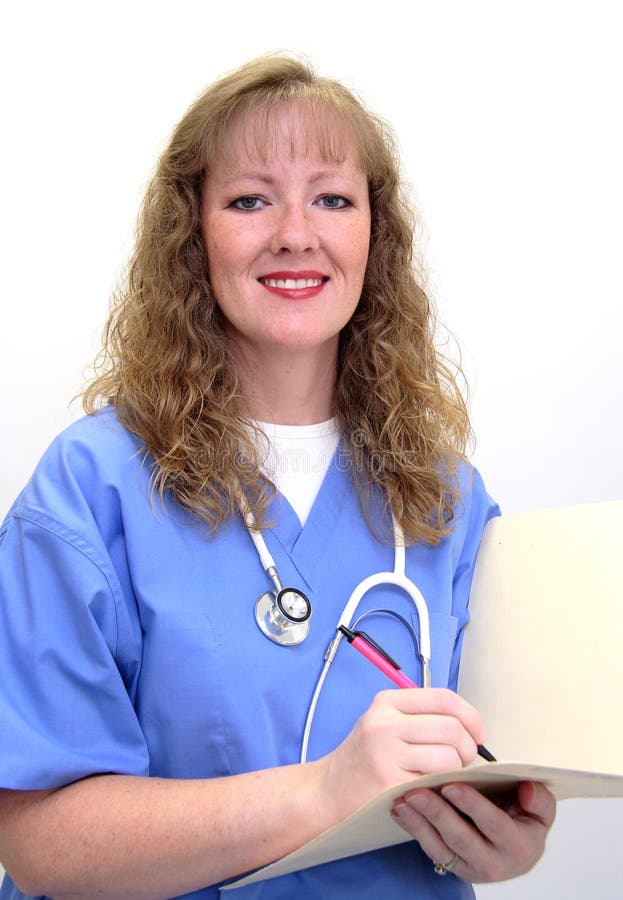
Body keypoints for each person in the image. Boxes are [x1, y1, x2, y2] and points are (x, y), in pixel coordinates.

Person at [0, 55, 555, 899]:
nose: (296, 233)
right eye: (250, 199)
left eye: (332, 198)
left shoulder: (445, 499)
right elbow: (37, 843)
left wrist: (496, 840)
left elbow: (496, 763)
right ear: (194, 233)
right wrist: (323, 791)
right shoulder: (93, 487)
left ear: (376, 233)